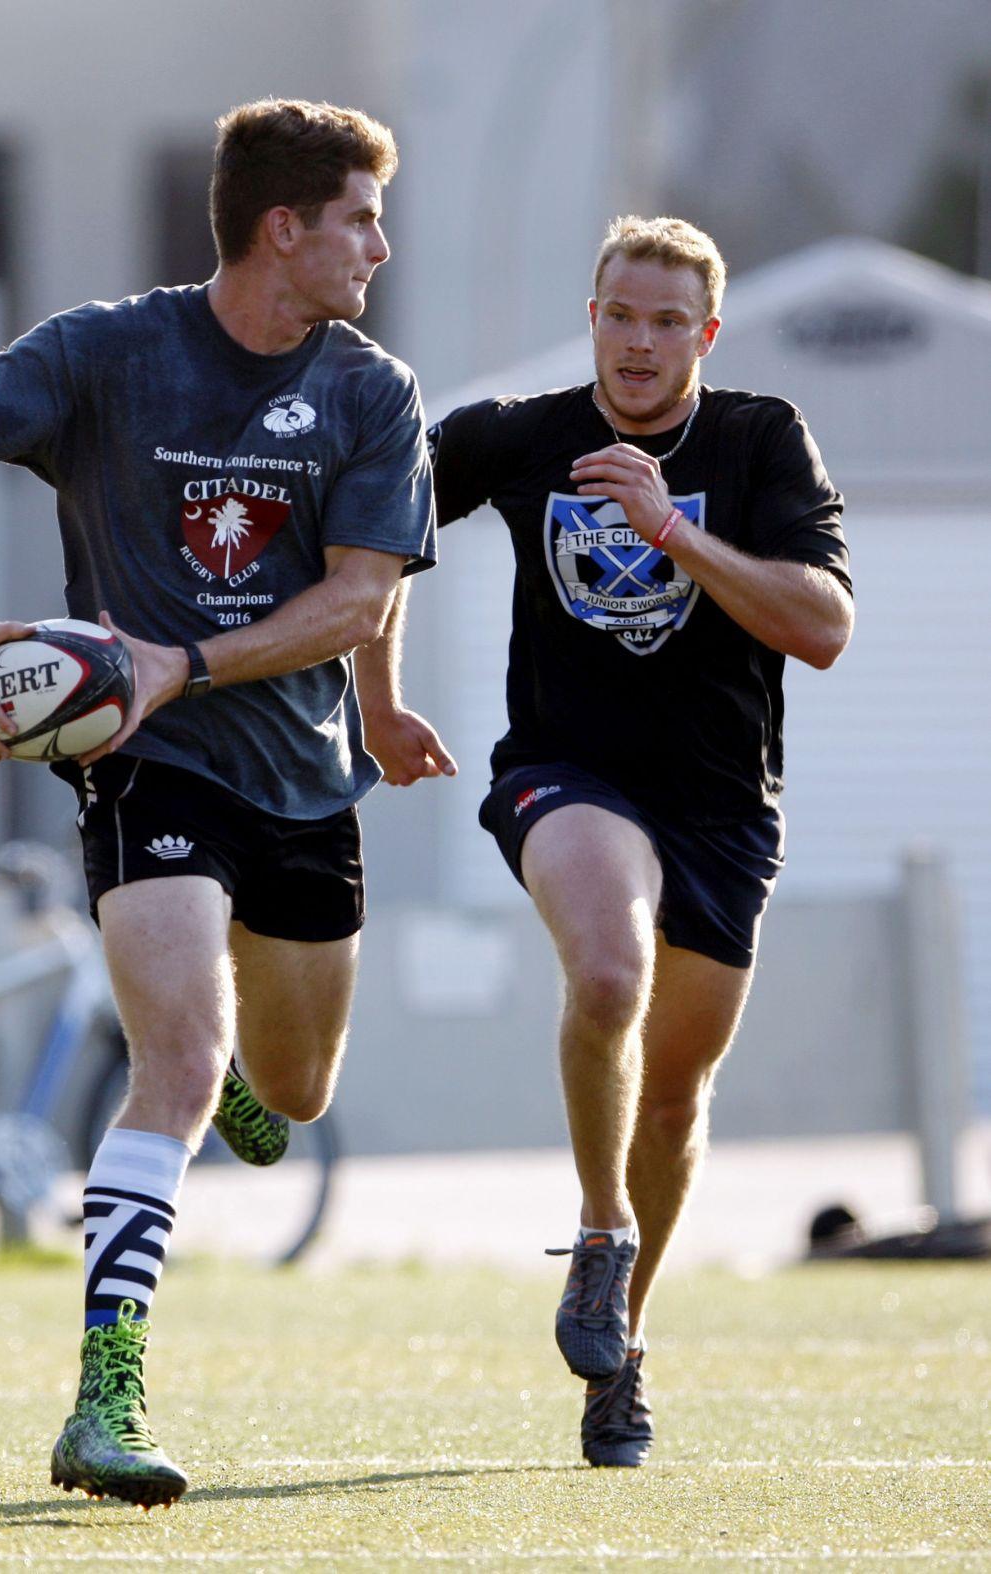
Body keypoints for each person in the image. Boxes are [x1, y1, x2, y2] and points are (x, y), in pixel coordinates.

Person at [0, 98, 452, 1507]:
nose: (378, 248)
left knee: (291, 1091)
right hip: (148, 762)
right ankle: (105, 1396)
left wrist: (221, 670)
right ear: (284, 227)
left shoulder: (373, 391)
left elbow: (360, 597)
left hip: (304, 780)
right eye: (360, 220)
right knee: (179, 1066)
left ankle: (240, 1070)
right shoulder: (103, 351)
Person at [427, 216, 853, 1467]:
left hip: (720, 807)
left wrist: (671, 530)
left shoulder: (759, 439)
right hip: (566, 774)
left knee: (670, 1096)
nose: (638, 341)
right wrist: (377, 695)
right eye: (619, 313)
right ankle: (601, 1227)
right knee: (609, 971)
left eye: (667, 321)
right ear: (592, 315)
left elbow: (823, 627)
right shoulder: (522, 434)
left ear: (705, 334)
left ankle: (622, 1349)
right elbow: (368, 527)